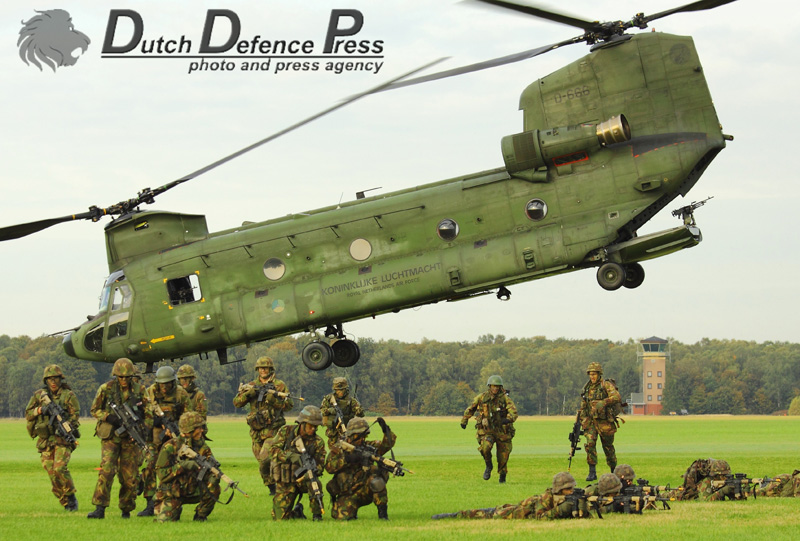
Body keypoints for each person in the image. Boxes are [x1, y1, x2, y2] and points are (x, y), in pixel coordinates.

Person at [87, 357, 150, 519]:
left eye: (126, 377)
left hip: (130, 439)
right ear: (116, 375)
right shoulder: (106, 389)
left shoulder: (140, 390)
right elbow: (94, 410)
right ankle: (100, 508)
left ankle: (126, 509)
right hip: (111, 437)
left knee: (129, 476)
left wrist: (142, 424)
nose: (123, 380)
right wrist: (109, 417)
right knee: (107, 471)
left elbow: (149, 413)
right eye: (120, 377)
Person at [233, 356, 294, 495]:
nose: (263, 371)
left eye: (265, 368)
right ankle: (272, 488)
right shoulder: (252, 384)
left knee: (265, 458)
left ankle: (277, 488)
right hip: (256, 432)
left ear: (270, 369)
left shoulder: (279, 385)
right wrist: (249, 394)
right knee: (262, 464)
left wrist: (274, 400)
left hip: (273, 431)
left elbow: (289, 405)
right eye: (260, 368)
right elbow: (236, 402)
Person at [25, 364, 80, 511]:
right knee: (51, 473)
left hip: (62, 439)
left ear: (60, 379)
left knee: (60, 468)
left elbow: (75, 417)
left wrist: (66, 425)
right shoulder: (39, 395)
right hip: (46, 440)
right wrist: (40, 410)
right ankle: (66, 502)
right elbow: (28, 414)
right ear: (46, 381)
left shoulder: (68, 395)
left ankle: (71, 497)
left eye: (55, 378)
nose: (53, 382)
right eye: (50, 379)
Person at [137, 365, 191, 517]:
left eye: (167, 384)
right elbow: (143, 414)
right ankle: (149, 503)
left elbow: (189, 417)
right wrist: (157, 422)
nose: (164, 387)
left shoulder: (181, 394)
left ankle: (171, 501)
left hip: (174, 439)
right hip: (153, 438)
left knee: (175, 469)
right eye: (162, 384)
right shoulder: (150, 393)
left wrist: (176, 429)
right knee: (149, 466)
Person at [431, 472, 591, 520]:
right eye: (568, 489)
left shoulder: (563, 497)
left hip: (520, 509)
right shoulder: (546, 498)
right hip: (515, 513)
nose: (571, 491)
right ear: (560, 489)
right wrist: (562, 509)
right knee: (481, 514)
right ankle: (448, 516)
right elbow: (541, 517)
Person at [153, 411, 221, 522]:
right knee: (164, 521)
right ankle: (174, 509)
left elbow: (210, 466)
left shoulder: (203, 447)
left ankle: (200, 516)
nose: (201, 431)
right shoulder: (170, 447)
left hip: (193, 489)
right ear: (189, 430)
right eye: (198, 428)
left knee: (214, 487)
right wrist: (182, 466)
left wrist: (214, 476)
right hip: (172, 493)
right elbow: (161, 474)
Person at [324, 417, 397, 520]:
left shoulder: (368, 447)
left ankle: (383, 515)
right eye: (359, 436)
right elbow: (329, 467)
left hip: (366, 489)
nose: (362, 439)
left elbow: (387, 445)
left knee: (376, 481)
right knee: (340, 516)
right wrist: (347, 459)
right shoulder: (339, 448)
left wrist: (386, 430)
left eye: (364, 436)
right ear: (351, 435)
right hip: (348, 493)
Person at [270, 405, 326, 520]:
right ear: (302, 423)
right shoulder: (286, 431)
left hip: (305, 481)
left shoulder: (318, 442)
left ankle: (317, 514)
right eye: (311, 426)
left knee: (315, 483)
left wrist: (313, 470)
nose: (313, 429)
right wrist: (289, 456)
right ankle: (297, 512)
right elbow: (272, 450)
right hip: (286, 480)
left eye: (316, 427)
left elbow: (321, 465)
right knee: (279, 518)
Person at [460, 375, 517, 482]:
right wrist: (464, 420)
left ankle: (502, 477)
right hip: (488, 430)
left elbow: (513, 412)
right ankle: (488, 465)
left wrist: (508, 419)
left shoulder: (505, 398)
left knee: (503, 457)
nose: (495, 388)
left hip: (502, 431)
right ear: (489, 386)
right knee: (485, 448)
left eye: (497, 386)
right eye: (493, 386)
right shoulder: (482, 397)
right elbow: (471, 409)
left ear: (500, 387)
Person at [579, 362, 622, 481]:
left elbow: (616, 397)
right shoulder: (587, 388)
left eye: (594, 374)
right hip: (591, 421)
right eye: (590, 374)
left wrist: (603, 402)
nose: (592, 376)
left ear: (599, 374)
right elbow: (583, 405)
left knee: (608, 447)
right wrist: (582, 420)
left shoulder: (606, 385)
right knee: (590, 444)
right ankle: (592, 472)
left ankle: (614, 471)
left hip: (605, 422)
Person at [320, 377, 364, 445]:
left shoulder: (351, 401)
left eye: (342, 390)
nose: (340, 392)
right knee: (334, 452)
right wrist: (329, 410)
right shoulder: (329, 399)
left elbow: (360, 412)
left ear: (345, 389)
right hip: (333, 432)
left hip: (347, 430)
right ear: (335, 390)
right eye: (337, 390)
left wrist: (359, 411)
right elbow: (322, 411)